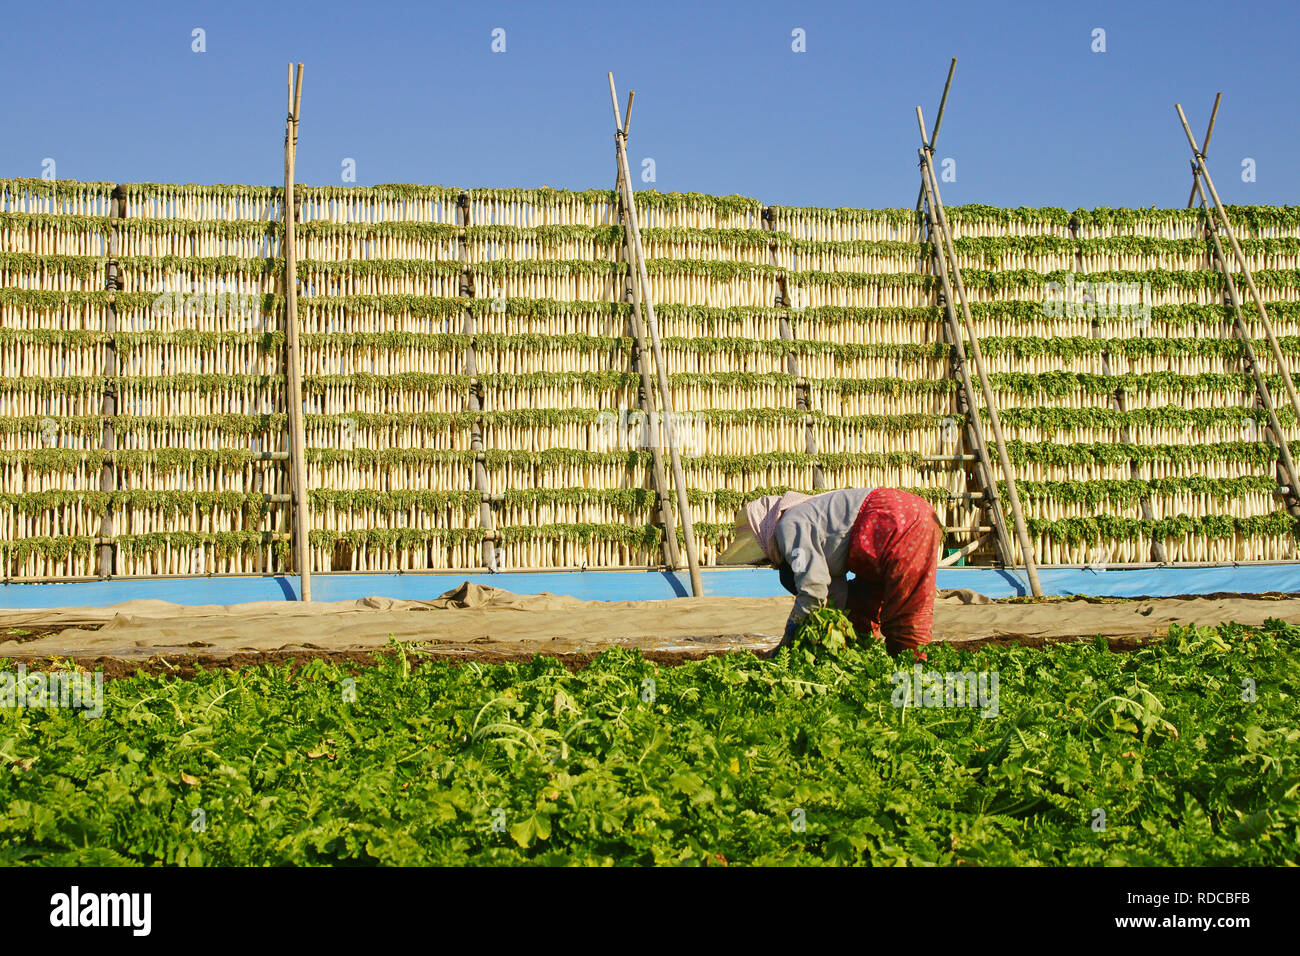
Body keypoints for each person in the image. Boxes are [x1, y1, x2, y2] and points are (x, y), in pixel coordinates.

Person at [719, 488, 942, 659]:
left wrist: (789, 639)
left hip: (896, 522)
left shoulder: (789, 525)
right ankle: (867, 662)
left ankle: (914, 681)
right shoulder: (810, 519)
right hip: (893, 524)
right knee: (859, 614)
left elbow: (814, 590)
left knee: (906, 614)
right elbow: (833, 598)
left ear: (762, 530)